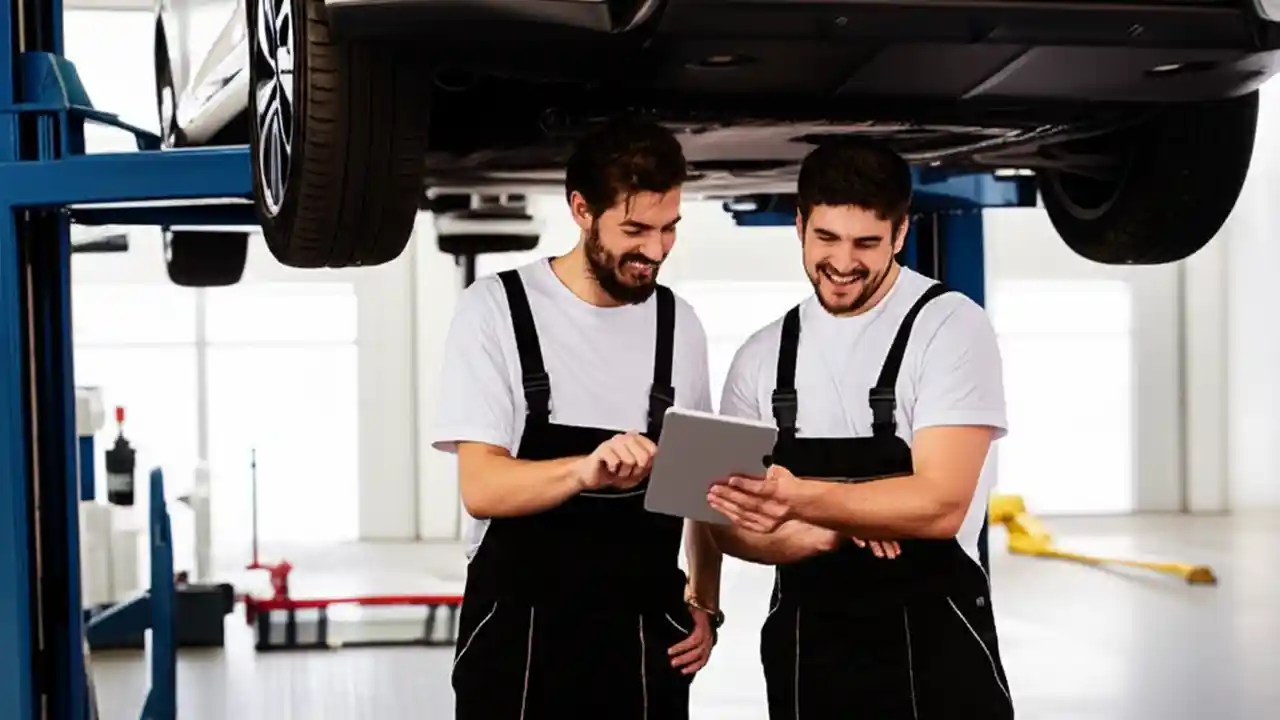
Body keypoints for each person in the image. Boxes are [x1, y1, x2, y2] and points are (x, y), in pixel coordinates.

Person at [708, 138, 1014, 719]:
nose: (843, 262)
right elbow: (724, 522)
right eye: (826, 238)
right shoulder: (760, 355)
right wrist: (830, 534)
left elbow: (940, 504)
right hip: (808, 652)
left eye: (866, 243)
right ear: (799, 226)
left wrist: (799, 500)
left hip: (935, 644)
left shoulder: (951, 328)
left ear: (899, 234)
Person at [430, 116, 723, 720]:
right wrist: (585, 471)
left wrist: (705, 601)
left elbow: (700, 489)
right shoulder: (497, 310)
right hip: (520, 641)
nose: (655, 250)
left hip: (646, 644)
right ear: (581, 209)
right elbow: (482, 487)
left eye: (669, 228)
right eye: (634, 230)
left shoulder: (679, 325)